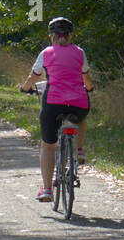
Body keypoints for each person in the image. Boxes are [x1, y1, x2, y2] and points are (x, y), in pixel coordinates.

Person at [19, 17, 93, 203]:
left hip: (53, 103)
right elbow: (86, 77)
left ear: (51, 35)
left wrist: (25, 88)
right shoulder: (79, 52)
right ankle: (79, 151)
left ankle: (47, 190)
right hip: (79, 102)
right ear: (70, 35)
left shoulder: (46, 52)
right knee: (80, 120)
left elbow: (33, 77)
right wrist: (90, 88)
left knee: (48, 145)